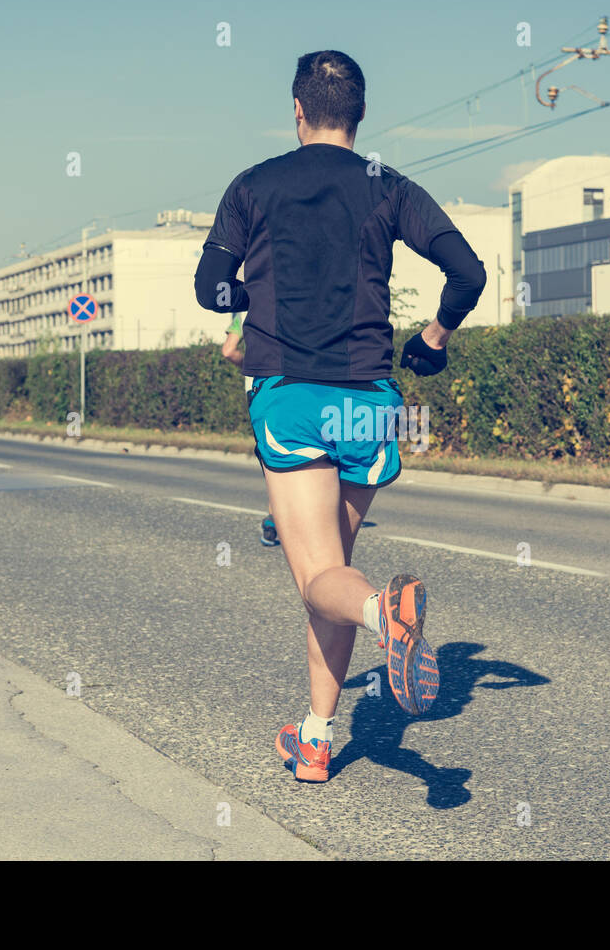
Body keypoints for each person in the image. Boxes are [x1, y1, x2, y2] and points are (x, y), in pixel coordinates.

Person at [195, 49, 486, 783]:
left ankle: (388, 613)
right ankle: (316, 738)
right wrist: (433, 338)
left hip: (293, 400)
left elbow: (210, 287)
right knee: (335, 573)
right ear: (360, 114)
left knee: (323, 579)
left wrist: (252, 317)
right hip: (370, 405)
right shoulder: (390, 185)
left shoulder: (254, 185)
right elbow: (469, 273)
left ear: (297, 111)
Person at [221, 312, 280, 547]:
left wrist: (253, 366)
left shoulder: (245, 309)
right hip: (296, 384)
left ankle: (275, 519)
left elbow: (228, 351)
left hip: (259, 390)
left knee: (272, 454)